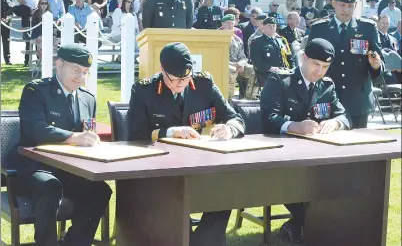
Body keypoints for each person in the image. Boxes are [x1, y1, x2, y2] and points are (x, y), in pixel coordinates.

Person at [127, 42, 245, 246]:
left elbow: (235, 117)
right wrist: (171, 132)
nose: (181, 84)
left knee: (226, 192)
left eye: (185, 78)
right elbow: (134, 134)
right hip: (160, 168)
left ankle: (201, 241)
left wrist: (230, 129)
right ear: (162, 70)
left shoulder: (203, 84)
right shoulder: (144, 90)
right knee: (174, 202)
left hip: (198, 163)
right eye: (175, 79)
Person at [3, 44, 112, 246]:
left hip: (69, 170)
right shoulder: (36, 91)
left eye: (85, 72)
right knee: (50, 186)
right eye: (76, 70)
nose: (81, 77)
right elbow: (36, 129)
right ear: (59, 64)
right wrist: (73, 137)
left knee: (101, 190)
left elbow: (88, 133)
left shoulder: (88, 99)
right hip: (33, 167)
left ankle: (75, 242)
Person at [260, 39, 350, 244]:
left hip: (317, 159)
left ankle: (304, 229)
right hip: (282, 160)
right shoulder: (280, 80)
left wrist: (334, 123)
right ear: (304, 58)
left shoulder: (326, 86)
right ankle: (302, 228)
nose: (319, 71)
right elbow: (268, 118)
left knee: (338, 192)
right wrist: (294, 126)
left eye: (325, 67)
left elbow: (344, 116)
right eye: (316, 64)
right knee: (313, 201)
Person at [308, 0, 384, 129]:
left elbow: (379, 65)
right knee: (324, 145)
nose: (346, 10)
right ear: (334, 3)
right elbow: (309, 62)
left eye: (350, 6)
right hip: (326, 99)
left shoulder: (367, 28)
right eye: (342, 5)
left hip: (357, 100)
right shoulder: (319, 28)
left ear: (355, 6)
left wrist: (375, 65)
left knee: (358, 147)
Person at [250, 17, 295, 87]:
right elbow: (256, 61)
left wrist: (292, 69)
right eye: (269, 26)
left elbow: (289, 57)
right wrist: (270, 68)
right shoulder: (257, 41)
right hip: (267, 73)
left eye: (274, 26)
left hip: (284, 72)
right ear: (263, 27)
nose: (272, 28)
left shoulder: (282, 40)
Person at [222, 14, 258, 100]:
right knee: (232, 70)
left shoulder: (237, 40)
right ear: (222, 24)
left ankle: (248, 99)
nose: (230, 25)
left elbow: (242, 56)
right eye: (228, 23)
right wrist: (234, 65)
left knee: (253, 70)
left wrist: (241, 64)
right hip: (223, 66)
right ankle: (228, 101)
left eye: (232, 23)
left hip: (238, 66)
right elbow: (217, 57)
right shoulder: (217, 38)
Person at [1, 0, 13, 65]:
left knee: (6, 41)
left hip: (6, 23)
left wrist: (8, 19)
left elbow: (11, 10)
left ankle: (7, 59)